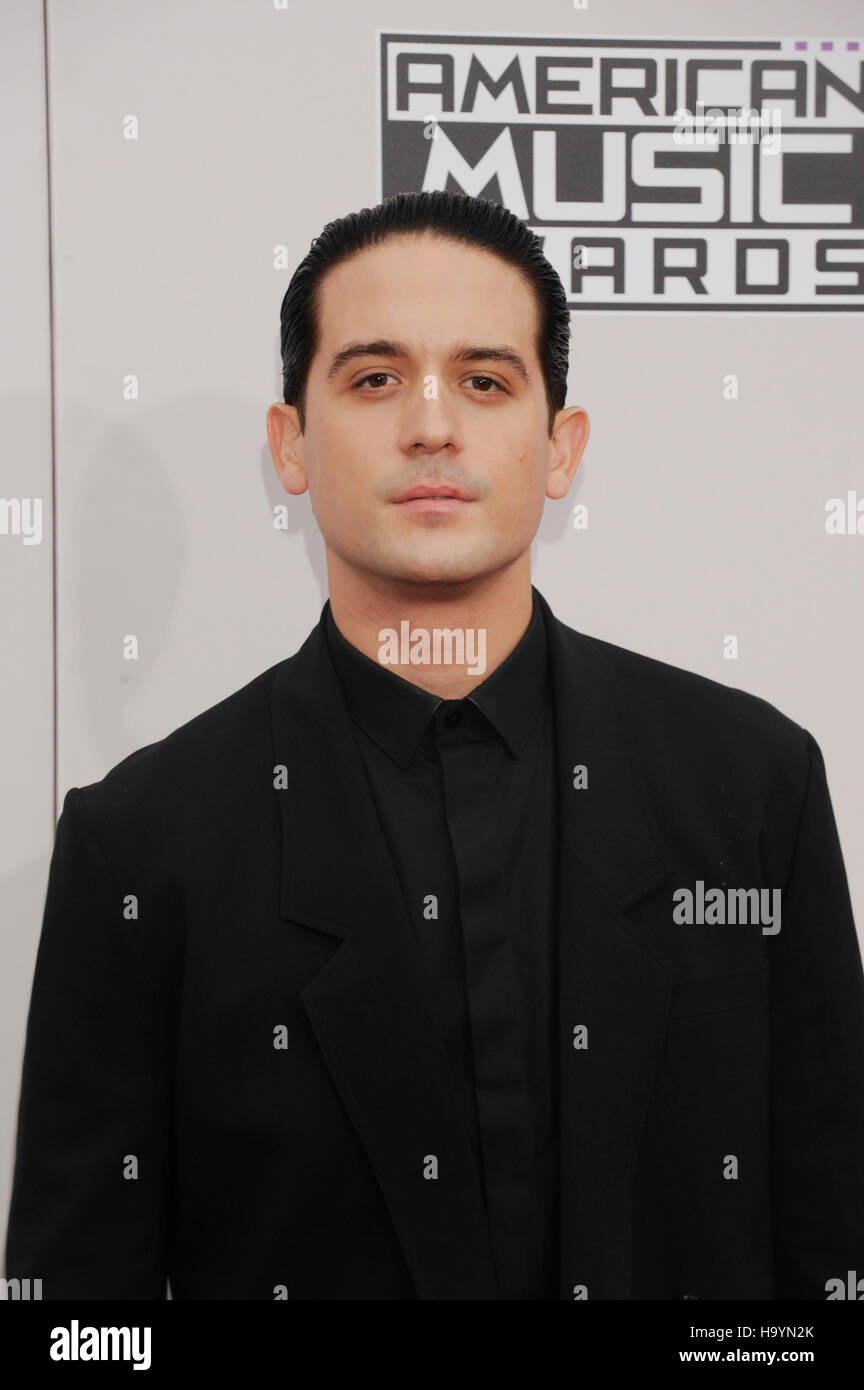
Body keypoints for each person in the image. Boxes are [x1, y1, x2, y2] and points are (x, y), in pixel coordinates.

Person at [6, 191, 864, 1300]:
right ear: (291, 444)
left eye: (485, 379)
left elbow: (832, 1240)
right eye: (374, 378)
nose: (431, 425)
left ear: (562, 448)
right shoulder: (141, 846)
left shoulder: (753, 789)